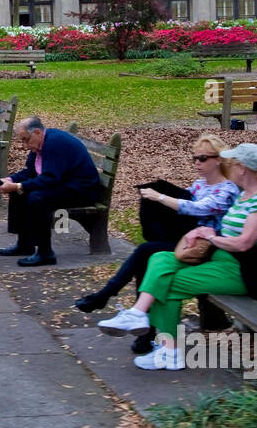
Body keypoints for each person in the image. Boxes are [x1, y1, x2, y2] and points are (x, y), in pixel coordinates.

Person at [97, 143, 257, 371]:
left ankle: (169, 350)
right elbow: (229, 233)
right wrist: (205, 232)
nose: (228, 167)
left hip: (244, 272)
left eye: (231, 163)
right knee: (158, 258)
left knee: (167, 284)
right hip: (223, 260)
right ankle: (138, 314)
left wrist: (213, 238)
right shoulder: (245, 195)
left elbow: (244, 243)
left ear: (242, 168)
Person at [77, 135, 240, 351]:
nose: (197, 163)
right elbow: (186, 206)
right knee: (147, 257)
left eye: (202, 158)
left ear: (218, 159)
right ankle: (143, 328)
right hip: (189, 241)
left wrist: (159, 197)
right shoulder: (200, 184)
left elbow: (198, 208)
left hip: (210, 249)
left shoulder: (227, 189)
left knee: (146, 251)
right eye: (194, 158)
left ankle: (111, 299)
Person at [0, 117, 101, 267]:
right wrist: (9, 180)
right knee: (21, 192)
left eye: (26, 140)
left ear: (37, 132)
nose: (25, 146)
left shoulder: (54, 143)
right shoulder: (40, 143)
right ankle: (25, 244)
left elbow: (50, 179)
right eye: (22, 141)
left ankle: (46, 253)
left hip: (82, 190)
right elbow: (30, 172)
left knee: (37, 198)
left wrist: (18, 186)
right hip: (64, 185)